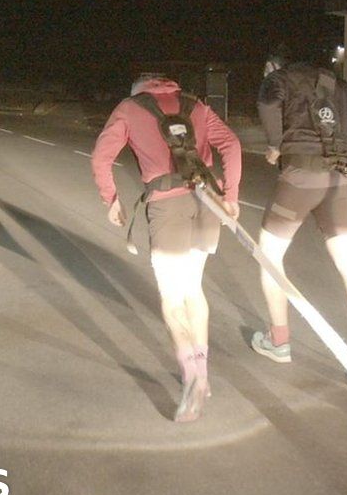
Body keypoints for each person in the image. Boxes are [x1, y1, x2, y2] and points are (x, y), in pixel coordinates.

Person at [91, 74, 242, 422]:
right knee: (193, 290)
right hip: (208, 202)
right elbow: (231, 145)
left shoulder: (129, 109)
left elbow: (100, 158)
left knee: (173, 298)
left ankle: (192, 377)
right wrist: (231, 196)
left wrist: (111, 200)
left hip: (167, 207)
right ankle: (202, 372)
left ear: (139, 90)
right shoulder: (197, 106)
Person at [250, 49, 347, 387]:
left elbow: (268, 103)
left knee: (269, 256)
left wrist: (275, 144)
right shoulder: (335, 84)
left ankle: (279, 340)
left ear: (272, 67)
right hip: (339, 178)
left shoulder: (277, 79)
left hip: (300, 176)